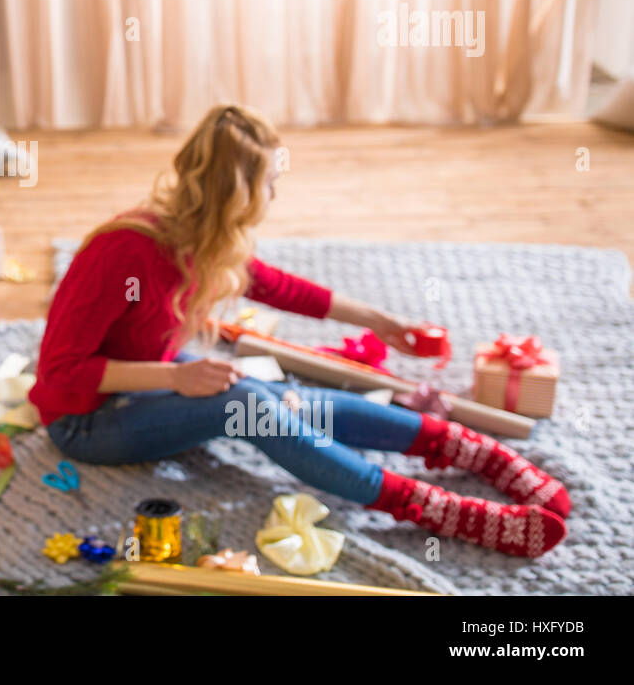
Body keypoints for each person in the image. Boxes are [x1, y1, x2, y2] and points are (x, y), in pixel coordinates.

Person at [32, 104, 569, 558]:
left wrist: (382, 323)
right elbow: (59, 374)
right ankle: (428, 506)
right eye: (271, 182)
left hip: (138, 385)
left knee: (275, 396)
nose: (276, 192)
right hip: (85, 420)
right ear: (238, 193)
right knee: (243, 402)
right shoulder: (123, 253)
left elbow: (281, 288)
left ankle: (461, 447)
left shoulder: (201, 235)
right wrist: (176, 380)